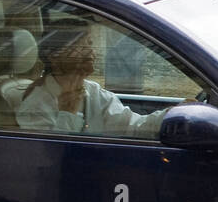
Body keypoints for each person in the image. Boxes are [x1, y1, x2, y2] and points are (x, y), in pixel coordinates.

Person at [16, 18, 168, 138]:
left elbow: (133, 127)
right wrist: (67, 113)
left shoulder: (93, 91)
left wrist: (171, 115)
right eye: (79, 45)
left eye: (89, 44)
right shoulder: (36, 104)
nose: (90, 52)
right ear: (54, 56)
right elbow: (49, 158)